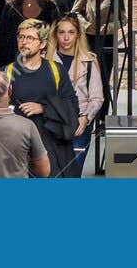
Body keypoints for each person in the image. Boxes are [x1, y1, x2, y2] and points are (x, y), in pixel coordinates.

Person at [5, 19, 81, 177]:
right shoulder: (8, 72)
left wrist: (43, 108)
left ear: (42, 44)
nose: (24, 42)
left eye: (30, 38)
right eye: (21, 37)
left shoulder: (56, 71)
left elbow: (72, 107)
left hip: (52, 150)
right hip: (17, 150)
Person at [51, 14, 103, 175]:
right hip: (52, 124)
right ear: (55, 34)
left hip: (80, 123)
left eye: (71, 32)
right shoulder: (46, 61)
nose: (66, 37)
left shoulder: (89, 61)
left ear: (78, 34)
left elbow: (97, 97)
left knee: (73, 172)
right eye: (61, 32)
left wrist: (86, 118)